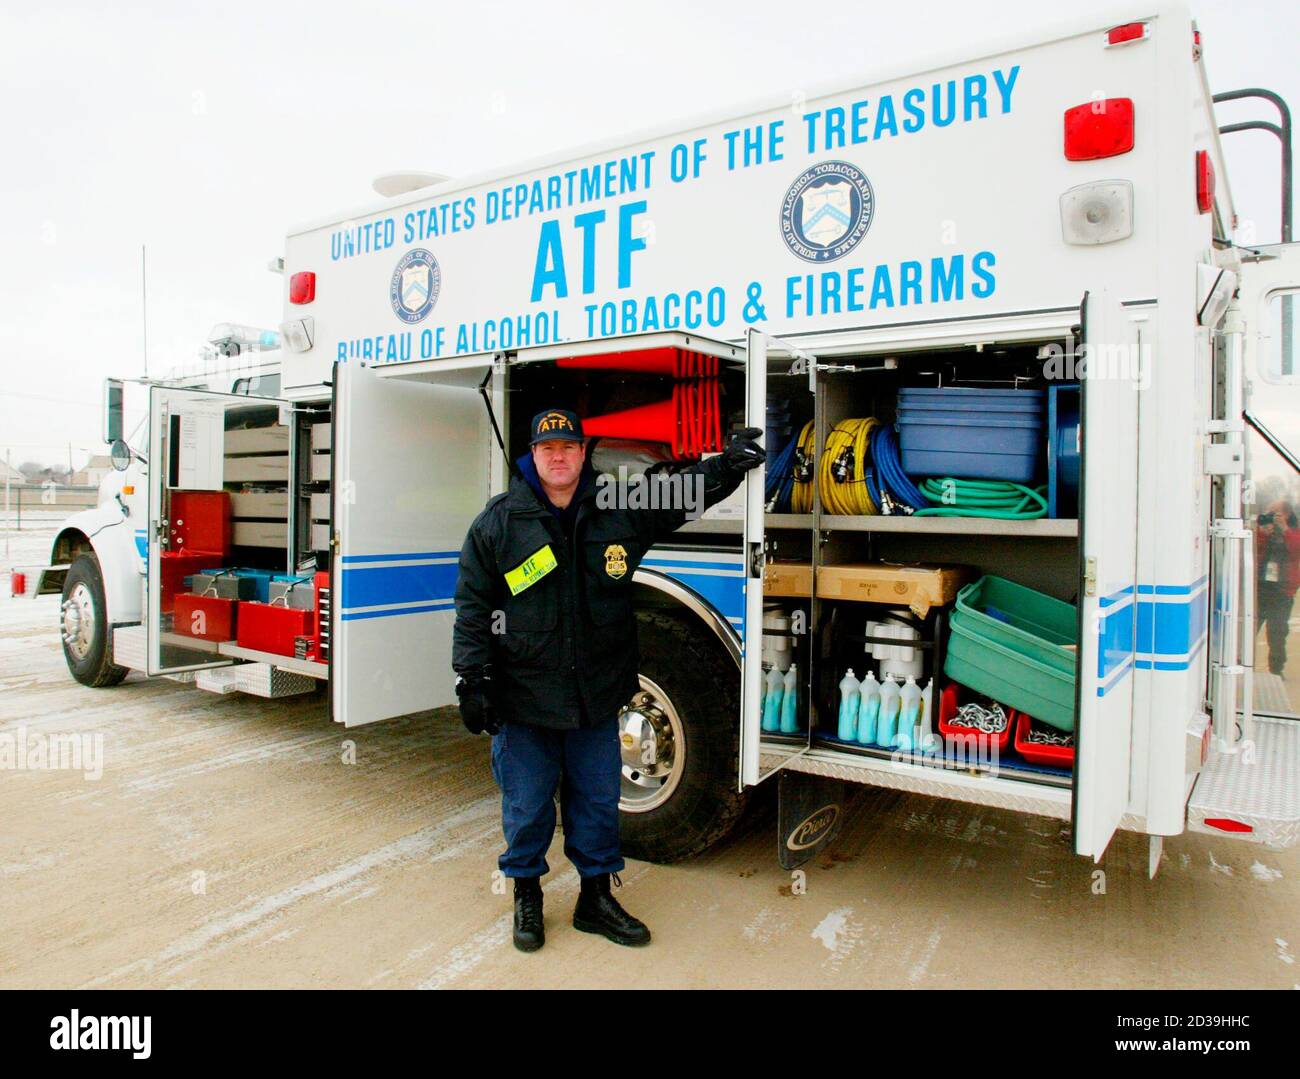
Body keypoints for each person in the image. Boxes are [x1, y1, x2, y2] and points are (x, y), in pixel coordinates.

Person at [451, 408, 764, 951]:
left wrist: (728, 468)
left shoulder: (617, 507)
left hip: (596, 697)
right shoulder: (499, 522)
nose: (558, 456)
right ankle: (527, 894)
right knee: (526, 807)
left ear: (582, 452)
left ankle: (595, 898)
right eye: (548, 448)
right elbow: (474, 607)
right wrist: (472, 680)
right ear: (533, 453)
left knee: (597, 803)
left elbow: (678, 495)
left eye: (568, 446)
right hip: (524, 700)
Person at [1255, 499, 1300, 675]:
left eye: (1276, 513)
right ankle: (1241, 664)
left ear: (1286, 515)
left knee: (1277, 633)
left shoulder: (1294, 532)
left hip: (1282, 591)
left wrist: (1285, 529)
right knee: (1249, 629)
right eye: (1270, 513)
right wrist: (1261, 533)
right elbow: (1252, 551)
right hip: (1261, 588)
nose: (1271, 517)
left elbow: (1297, 550)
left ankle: (1276, 669)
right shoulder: (1266, 533)